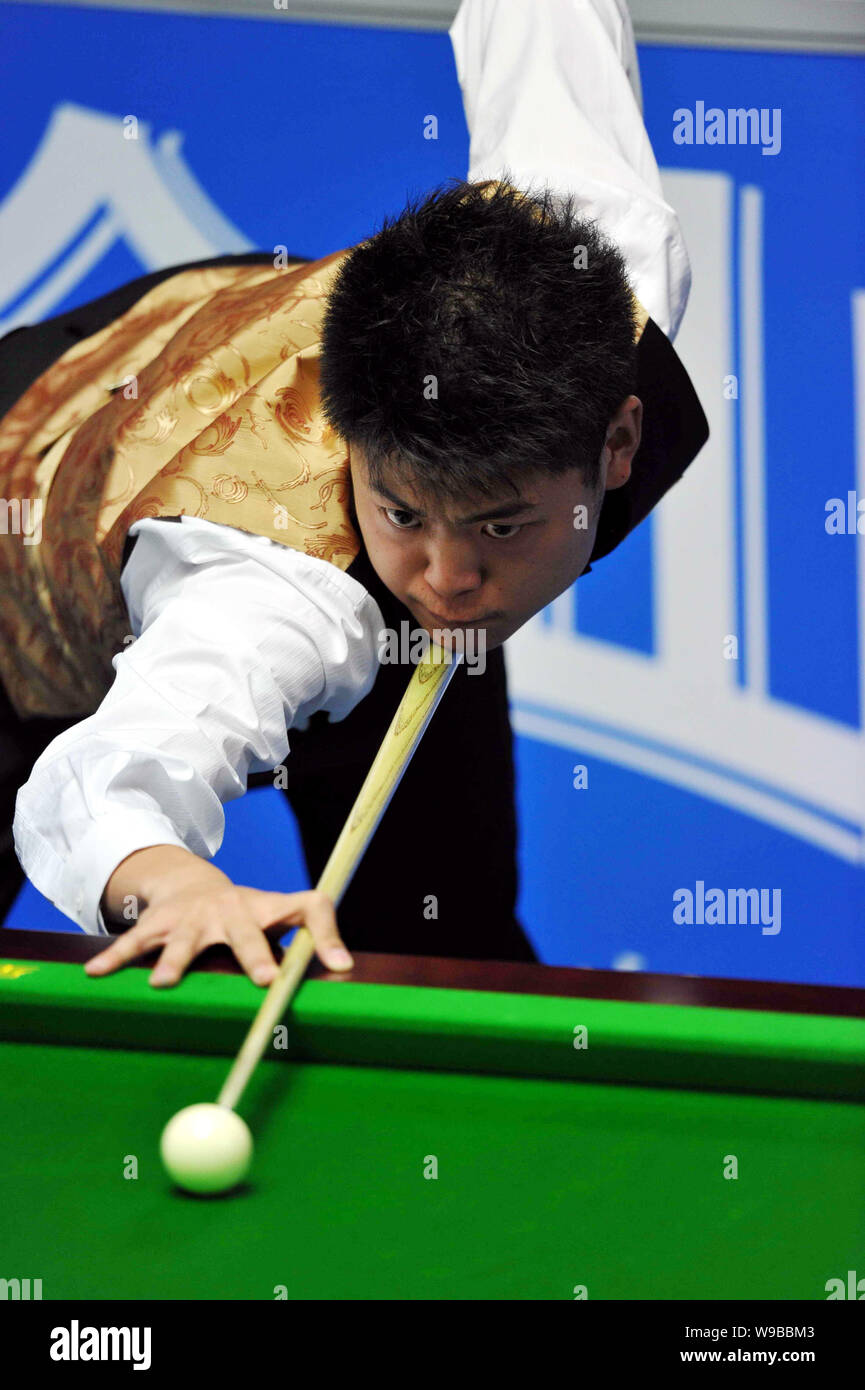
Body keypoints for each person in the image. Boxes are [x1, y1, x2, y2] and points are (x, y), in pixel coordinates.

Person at [0, 0, 707, 986]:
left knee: (443, 930)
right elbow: (114, 768)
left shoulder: (592, 261)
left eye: (502, 523)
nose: (450, 579)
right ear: (357, 453)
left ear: (617, 439)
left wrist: (409, 530)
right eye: (404, 513)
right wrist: (164, 877)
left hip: (197, 370)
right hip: (30, 539)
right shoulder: (269, 591)